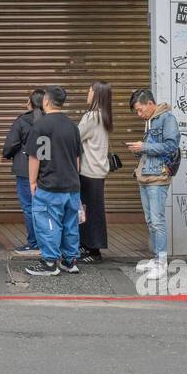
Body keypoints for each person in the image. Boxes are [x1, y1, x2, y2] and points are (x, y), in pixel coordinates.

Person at [24, 86, 84, 277]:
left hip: (50, 184)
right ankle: (70, 260)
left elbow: (36, 157)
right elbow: (77, 158)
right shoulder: (72, 126)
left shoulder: (42, 126)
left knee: (48, 222)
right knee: (70, 224)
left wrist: (32, 182)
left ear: (46, 102)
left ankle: (50, 262)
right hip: (72, 184)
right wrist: (75, 177)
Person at [127, 89, 180, 280]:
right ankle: (156, 258)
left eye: (140, 110)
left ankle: (162, 262)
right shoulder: (150, 121)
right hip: (146, 174)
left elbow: (171, 146)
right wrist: (139, 150)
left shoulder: (167, 119)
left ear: (150, 103)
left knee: (157, 221)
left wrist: (144, 147)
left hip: (158, 176)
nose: (139, 114)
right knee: (151, 221)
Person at [2, 89, 45, 253]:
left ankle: (33, 242)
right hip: (46, 170)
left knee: (29, 207)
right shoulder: (49, 120)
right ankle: (45, 242)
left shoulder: (22, 121)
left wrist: (7, 154)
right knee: (45, 207)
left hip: (25, 169)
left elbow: (11, 144)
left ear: (31, 102)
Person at [77, 81, 114, 262]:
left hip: (89, 170)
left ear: (96, 94)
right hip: (98, 170)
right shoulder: (104, 116)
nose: (87, 93)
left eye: (90, 90)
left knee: (89, 212)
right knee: (93, 210)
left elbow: (75, 137)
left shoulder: (91, 117)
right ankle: (89, 247)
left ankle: (94, 251)